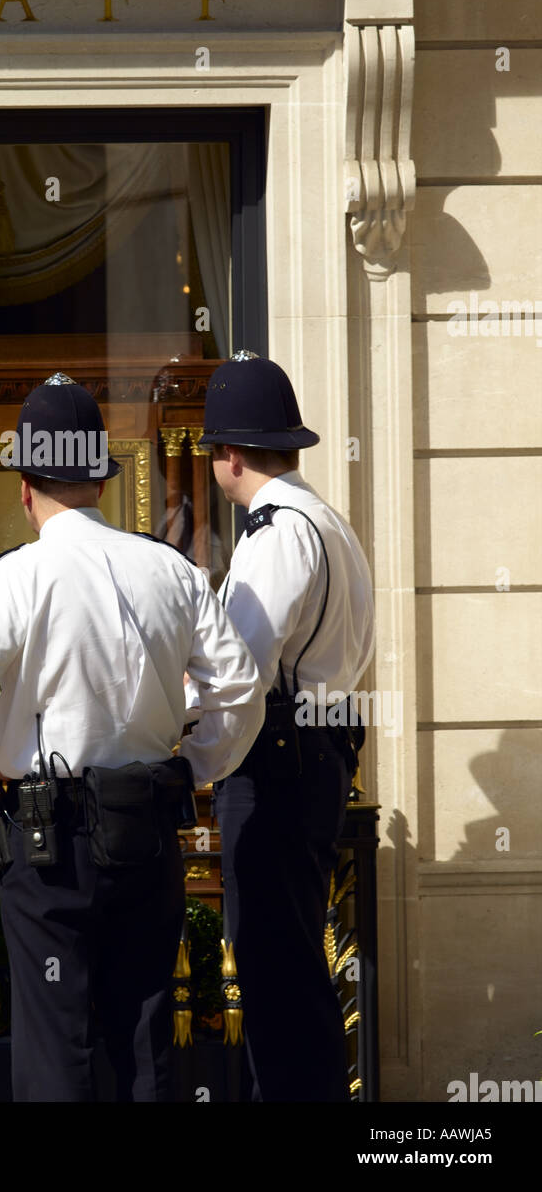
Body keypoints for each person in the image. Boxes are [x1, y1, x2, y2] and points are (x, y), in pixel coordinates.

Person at [0, 374, 263, 1101]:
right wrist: (194, 767)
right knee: (142, 1036)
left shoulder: (18, 575)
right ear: (103, 479)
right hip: (145, 827)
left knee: (54, 1040)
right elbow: (240, 687)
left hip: (50, 845)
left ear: (23, 485)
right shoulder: (171, 569)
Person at [192, 351, 375, 1102]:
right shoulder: (327, 523)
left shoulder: (276, 536)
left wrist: (193, 761)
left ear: (228, 454)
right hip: (314, 754)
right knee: (294, 971)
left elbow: (237, 671)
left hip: (274, 769)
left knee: (275, 976)